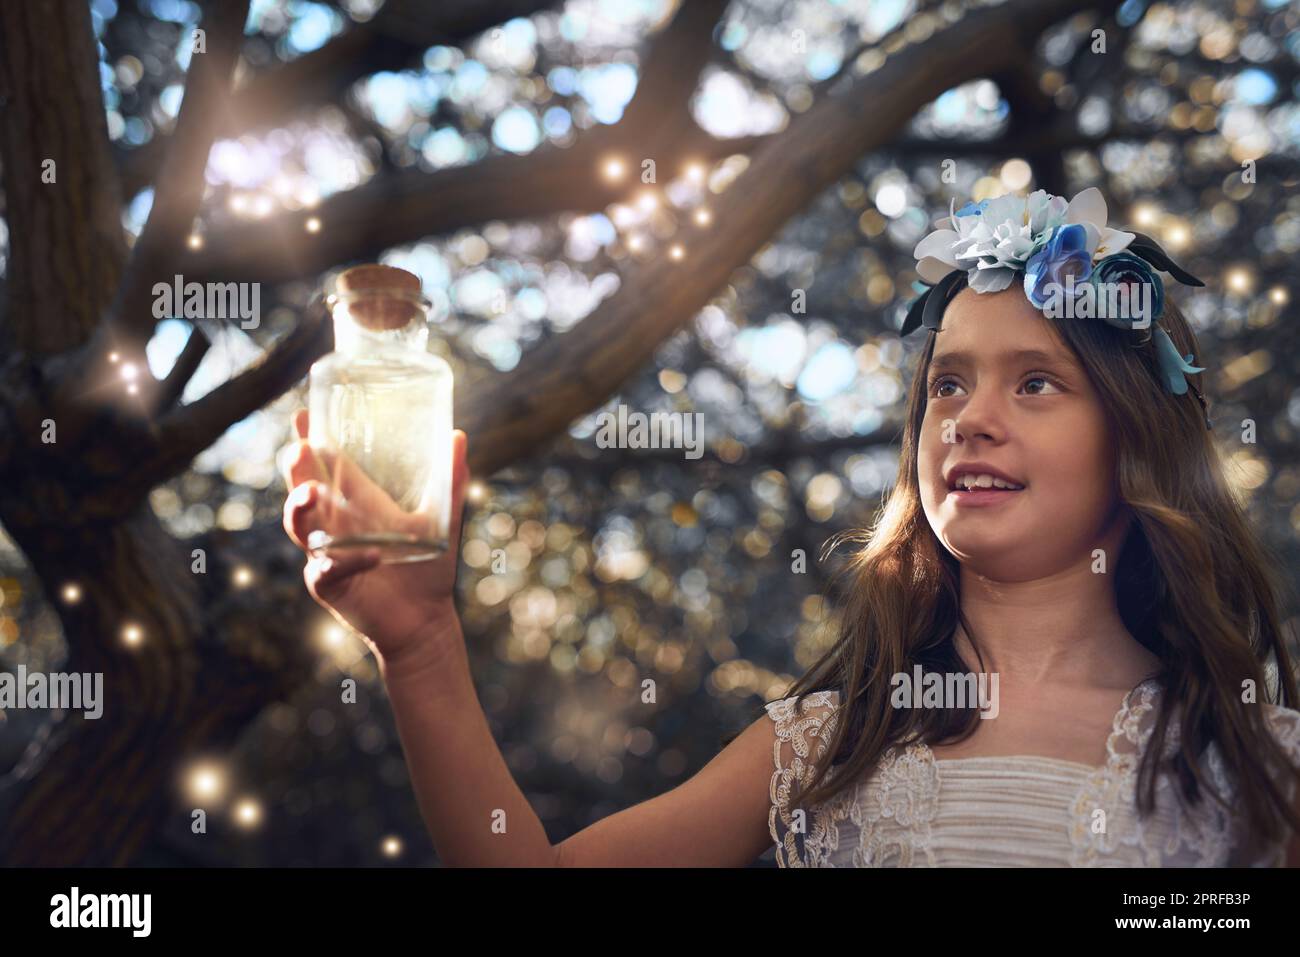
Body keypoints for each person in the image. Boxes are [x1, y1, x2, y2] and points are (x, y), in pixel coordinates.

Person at [281, 187, 1300, 866]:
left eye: (1036, 382)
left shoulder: (1251, 760)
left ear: (1133, 436)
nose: (970, 418)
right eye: (945, 383)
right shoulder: (832, 745)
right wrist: (418, 643)